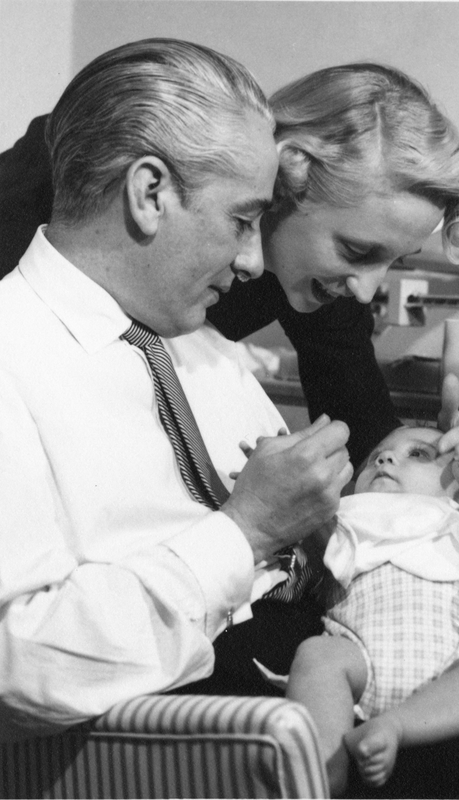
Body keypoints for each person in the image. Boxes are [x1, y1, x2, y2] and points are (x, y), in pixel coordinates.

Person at [0, 36, 356, 739]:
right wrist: (247, 529)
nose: (254, 261)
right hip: (218, 740)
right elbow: (23, 667)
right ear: (150, 193)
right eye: (243, 219)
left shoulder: (203, 348)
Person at [0, 61, 459, 473]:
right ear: (285, 181)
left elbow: (359, 424)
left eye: (393, 260)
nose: (367, 291)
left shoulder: (317, 278)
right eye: (356, 251)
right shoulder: (61, 179)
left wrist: (430, 464)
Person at [286, 423, 459, 795]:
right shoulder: (348, 520)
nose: (385, 458)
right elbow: (304, 555)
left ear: (457, 485)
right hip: (359, 664)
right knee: (318, 656)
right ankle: (322, 773)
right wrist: (291, 499)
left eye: (418, 454)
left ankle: (395, 726)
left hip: (454, 674)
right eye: (374, 458)